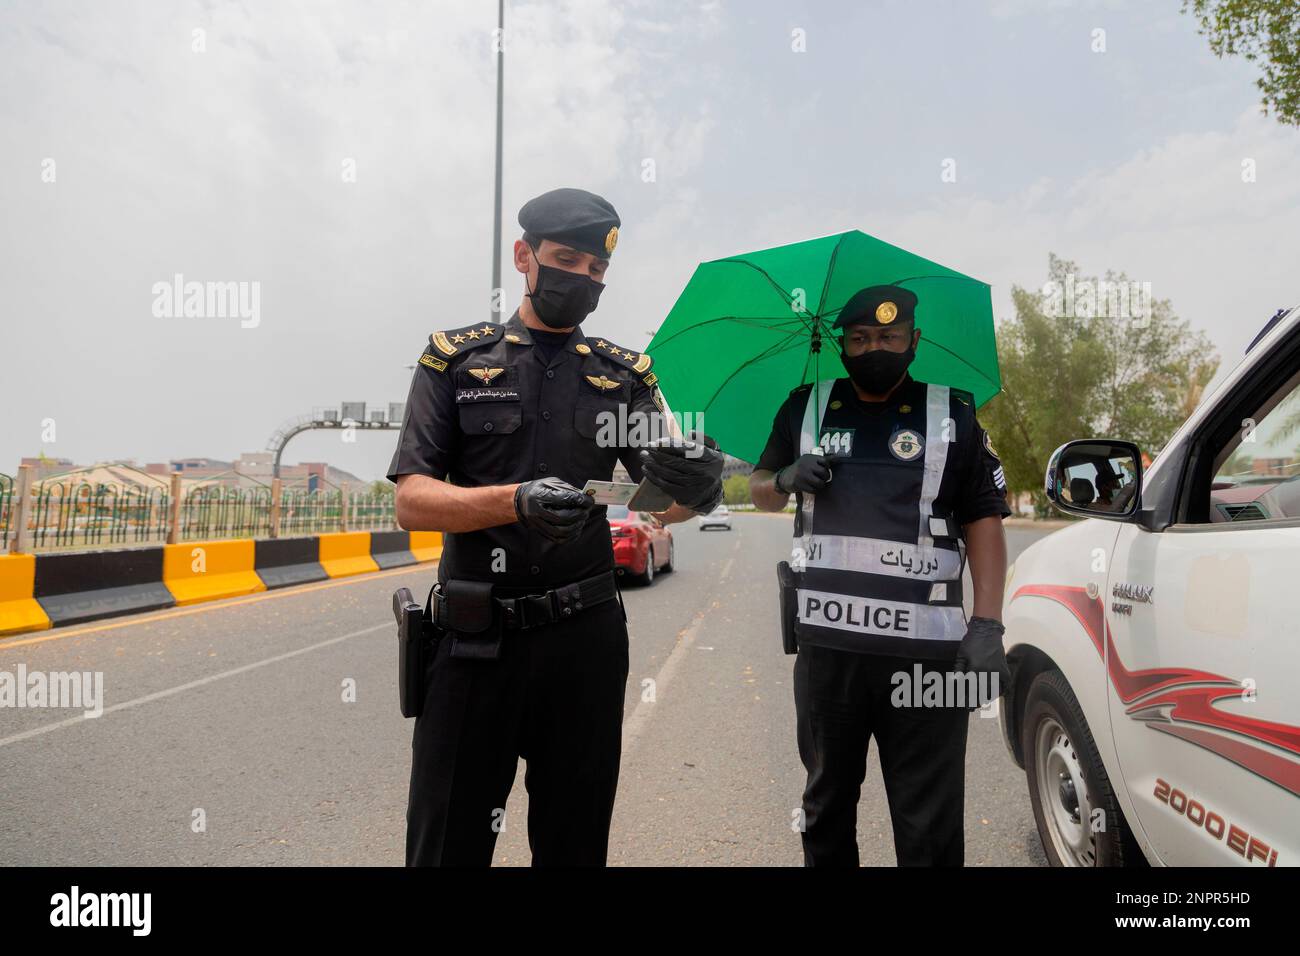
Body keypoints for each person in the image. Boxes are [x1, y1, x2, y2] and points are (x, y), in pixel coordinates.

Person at [388, 187, 723, 866]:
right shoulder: (453, 362)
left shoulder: (623, 375)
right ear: (524, 256)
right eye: (567, 259)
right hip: (472, 643)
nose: (583, 279)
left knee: (574, 846)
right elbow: (414, 500)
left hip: (583, 645)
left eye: (596, 271)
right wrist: (513, 500)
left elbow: (660, 501)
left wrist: (700, 487)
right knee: (445, 843)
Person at [749, 283, 1011, 866]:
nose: (874, 348)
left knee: (930, 821)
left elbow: (984, 520)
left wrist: (989, 622)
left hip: (928, 659)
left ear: (914, 341)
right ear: (842, 344)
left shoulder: (954, 413)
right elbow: (759, 490)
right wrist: (785, 477)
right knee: (826, 809)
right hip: (829, 653)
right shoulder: (805, 406)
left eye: (889, 337)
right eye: (861, 338)